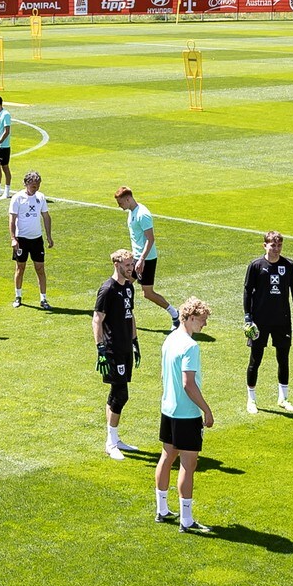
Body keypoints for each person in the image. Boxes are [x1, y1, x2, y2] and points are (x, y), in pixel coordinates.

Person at [155, 298, 215, 532]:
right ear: (190, 318)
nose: (205, 325)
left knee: (166, 457)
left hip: (168, 409)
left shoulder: (170, 340)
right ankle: (186, 520)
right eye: (202, 320)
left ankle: (161, 510)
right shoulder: (191, 346)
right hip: (186, 414)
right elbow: (189, 384)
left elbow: (164, 375)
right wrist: (206, 410)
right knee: (188, 465)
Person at [243, 231, 293, 413]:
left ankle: (283, 399)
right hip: (260, 321)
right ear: (265, 246)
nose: (276, 249)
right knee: (255, 360)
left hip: (282, 320)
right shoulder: (255, 266)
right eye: (272, 245)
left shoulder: (289, 265)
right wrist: (248, 318)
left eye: (279, 246)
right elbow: (247, 292)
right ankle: (251, 400)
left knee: (283, 359)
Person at [93, 249, 142, 459]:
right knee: (121, 393)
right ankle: (110, 443)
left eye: (132, 264)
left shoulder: (129, 287)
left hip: (125, 347)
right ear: (117, 265)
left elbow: (130, 316)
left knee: (116, 393)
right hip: (112, 348)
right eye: (128, 265)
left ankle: (114, 439)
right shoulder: (107, 290)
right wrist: (101, 349)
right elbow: (97, 319)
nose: (131, 268)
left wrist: (135, 341)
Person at [115, 186, 176, 327]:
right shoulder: (132, 212)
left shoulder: (143, 214)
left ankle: (175, 315)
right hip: (135, 258)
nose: (120, 206)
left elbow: (150, 239)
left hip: (146, 259)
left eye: (121, 203)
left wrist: (141, 259)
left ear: (128, 199)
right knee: (123, 283)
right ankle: (125, 316)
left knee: (147, 293)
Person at [9, 169, 52, 309]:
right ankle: (18, 296)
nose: (36, 188)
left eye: (38, 185)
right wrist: (13, 238)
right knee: (20, 268)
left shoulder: (41, 197)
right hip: (22, 239)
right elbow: (12, 218)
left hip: (37, 239)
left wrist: (49, 236)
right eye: (34, 186)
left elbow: (46, 216)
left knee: (40, 268)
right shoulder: (18, 198)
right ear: (26, 184)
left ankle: (43, 299)